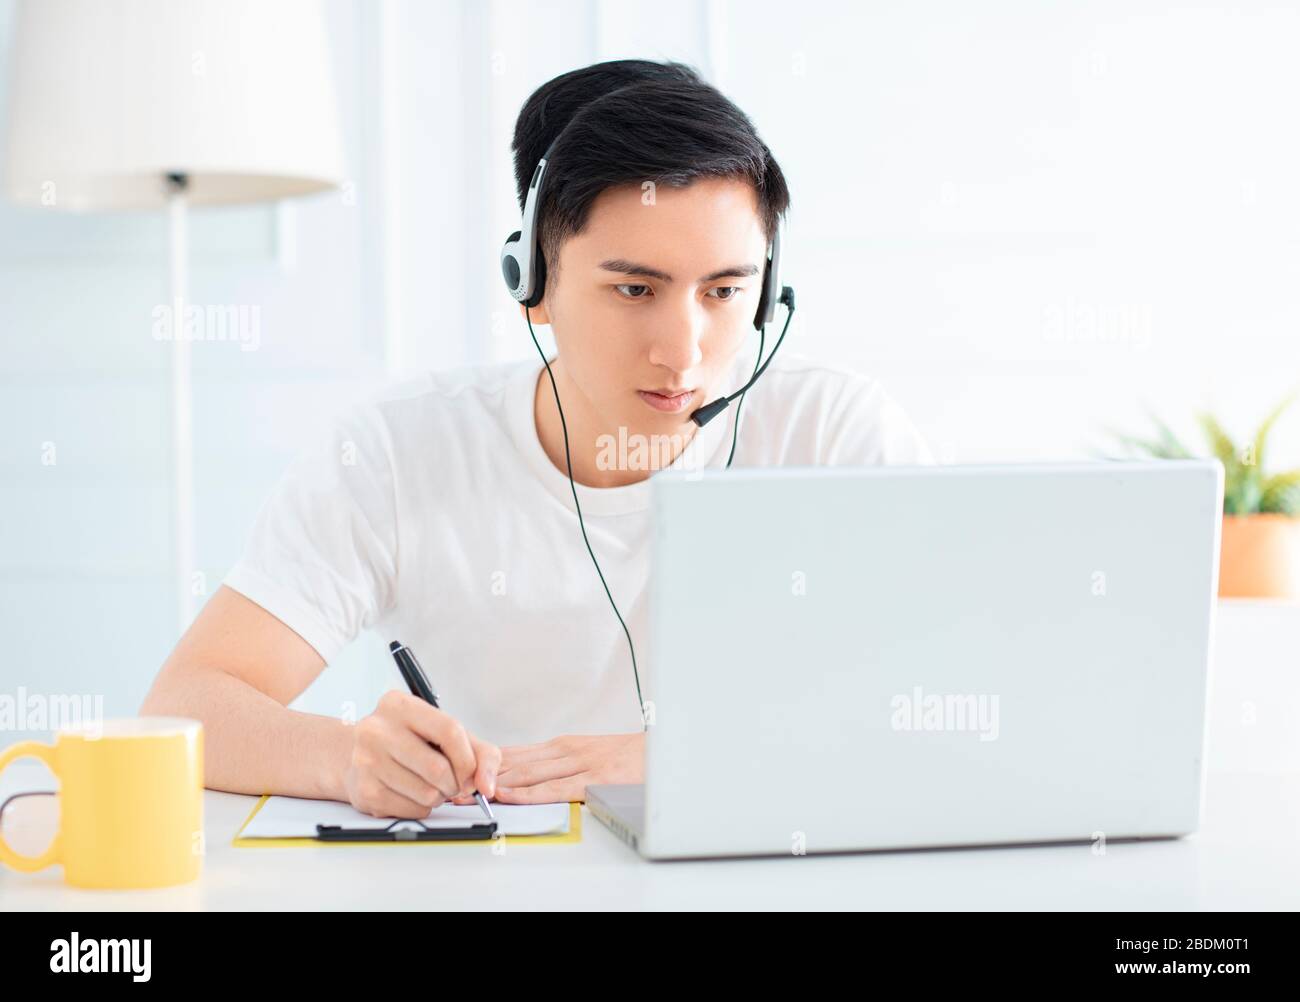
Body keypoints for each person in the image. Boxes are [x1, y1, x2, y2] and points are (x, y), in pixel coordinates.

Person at [140, 59, 933, 818]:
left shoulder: (836, 434)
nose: (683, 352)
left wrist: (689, 753)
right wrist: (344, 757)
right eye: (634, 288)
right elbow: (185, 706)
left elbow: (946, 704)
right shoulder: (399, 452)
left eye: (725, 291)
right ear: (534, 284)